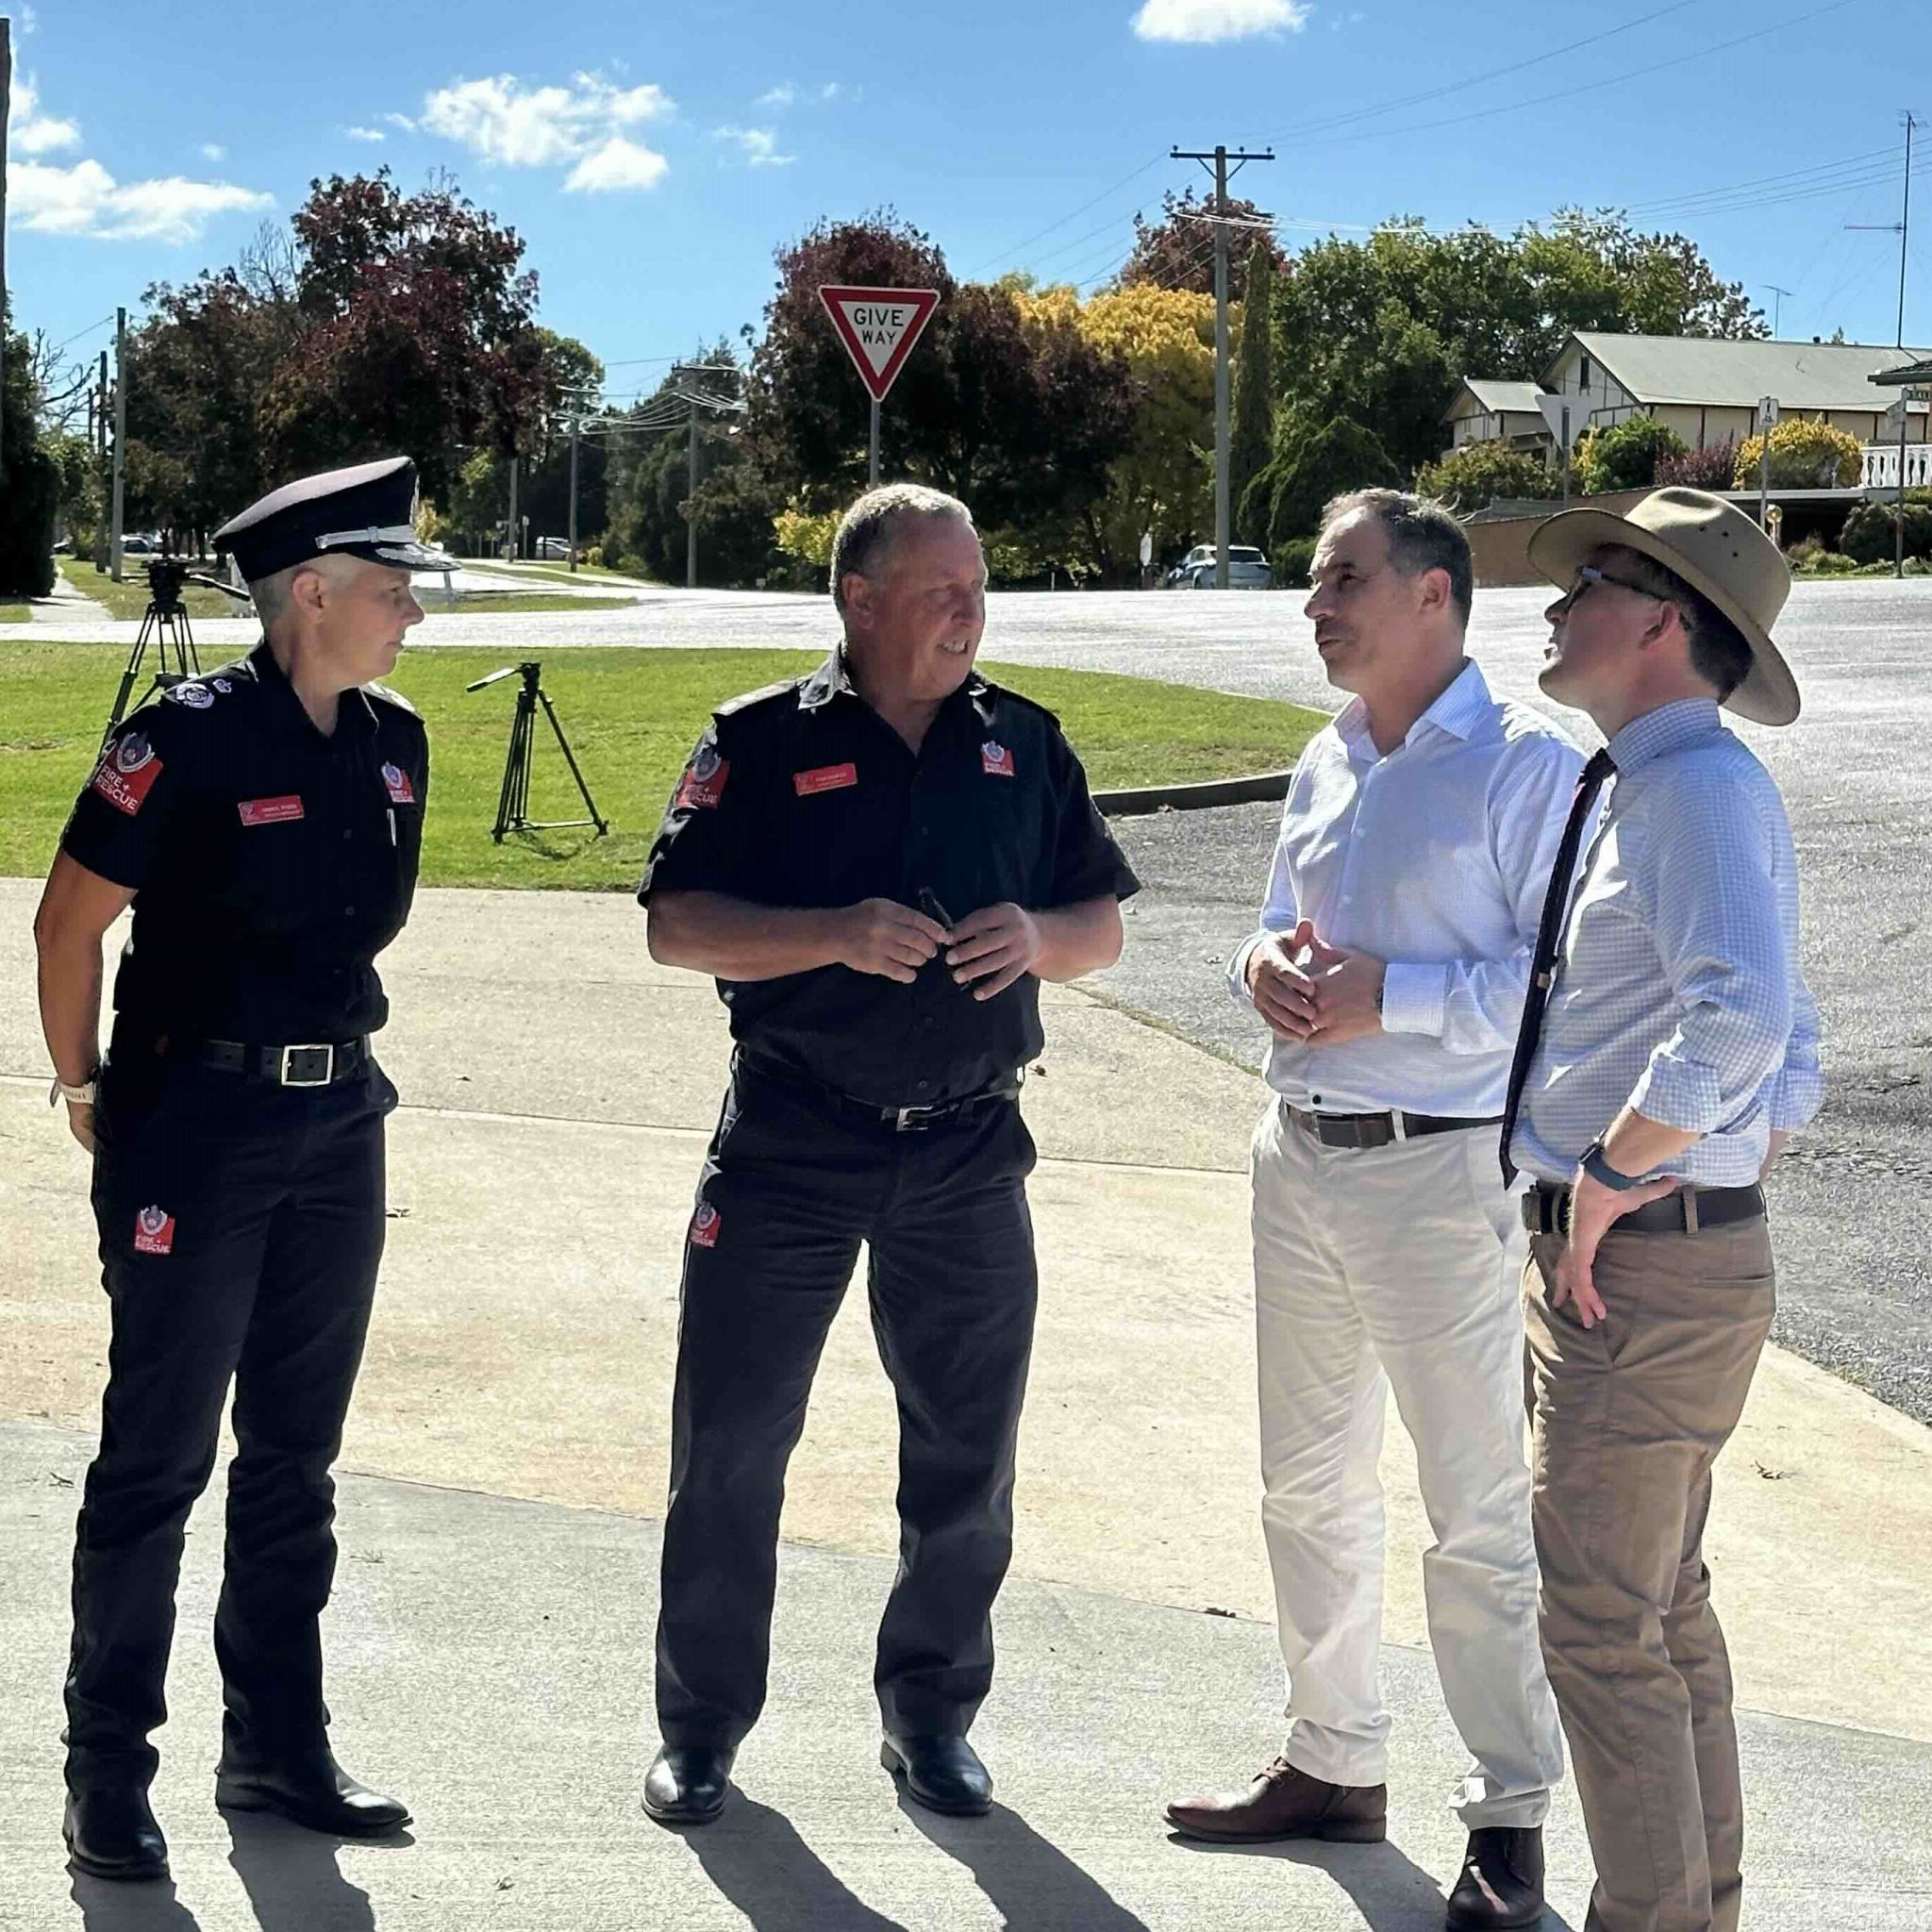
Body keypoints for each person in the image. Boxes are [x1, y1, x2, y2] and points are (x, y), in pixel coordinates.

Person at [636, 483, 1139, 1826]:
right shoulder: (754, 742)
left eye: (978, 587)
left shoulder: (1023, 746)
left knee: (966, 1458)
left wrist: (1039, 936)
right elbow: (676, 926)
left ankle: (931, 1715)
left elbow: (1101, 920)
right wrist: (833, 933)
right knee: (733, 1444)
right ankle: (701, 1730)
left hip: (971, 1152)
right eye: (940, 590)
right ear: (859, 602)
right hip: (792, 1142)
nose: (970, 613)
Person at [32, 456, 451, 1883]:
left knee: (295, 1459)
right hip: (195, 1132)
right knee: (156, 1459)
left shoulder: (397, 743)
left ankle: (273, 1743)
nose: (410, 615)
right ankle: (107, 1772)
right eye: (391, 591)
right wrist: (86, 1088)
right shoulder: (186, 738)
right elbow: (66, 926)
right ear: (312, 596)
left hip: (340, 1129)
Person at [1164, 491, 1578, 1931]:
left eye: (1344, 578)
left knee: (1473, 1509)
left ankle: (1512, 1818)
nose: (1314, 602)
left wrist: (1388, 996)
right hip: (1301, 1155)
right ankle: (1333, 1760)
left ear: (1435, 600)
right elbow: (1275, 923)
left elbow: (1557, 995)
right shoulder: (1328, 754)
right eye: (1318, 578)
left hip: (1442, 1171)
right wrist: (1259, 973)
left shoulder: (1531, 765)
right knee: (1305, 1482)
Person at [1504, 487, 1822, 1932]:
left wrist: (1620, 1180)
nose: (1559, 608)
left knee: (1599, 1631)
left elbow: (1745, 1027)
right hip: (1654, 1257)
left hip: (1638, 1264)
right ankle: (1695, 1911)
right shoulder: (1661, 783)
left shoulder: (1690, 788)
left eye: (1594, 586)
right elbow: (1789, 1057)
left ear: (1662, 624)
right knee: (1655, 1611)